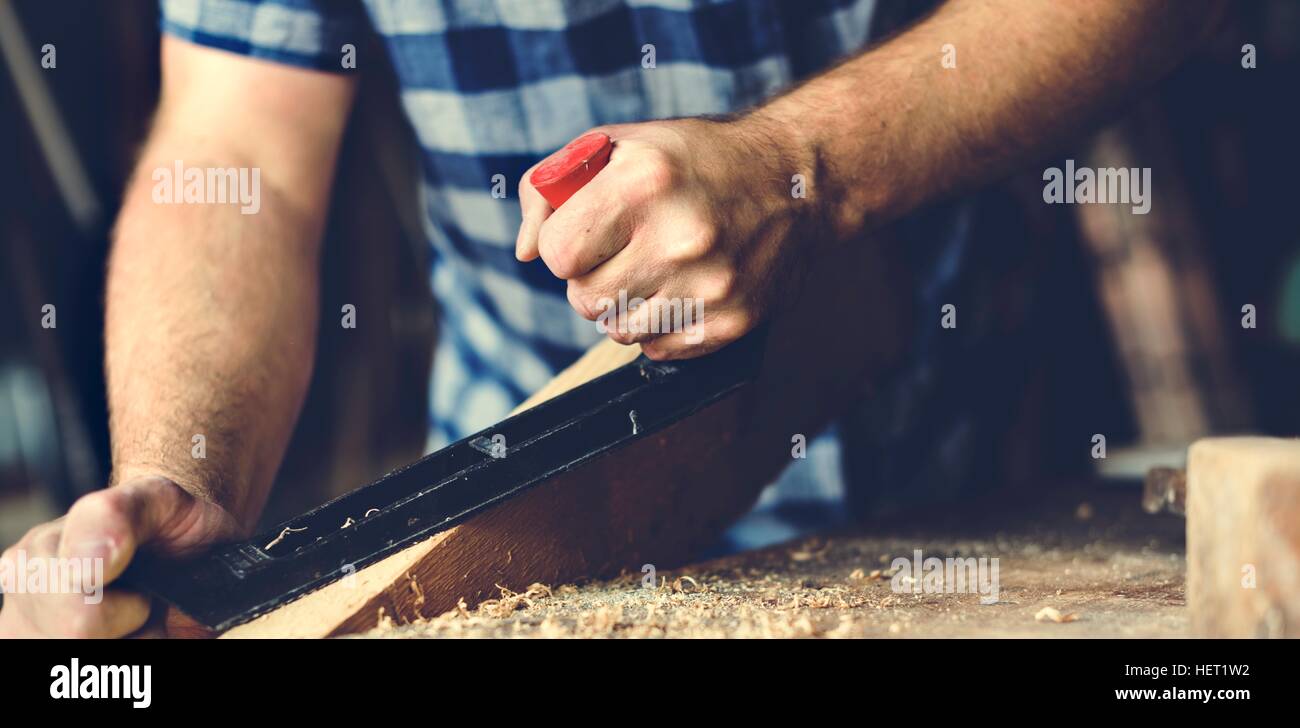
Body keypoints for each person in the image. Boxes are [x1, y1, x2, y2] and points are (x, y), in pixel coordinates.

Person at [0, 0, 1225, 637]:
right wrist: (178, 470)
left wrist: (802, 163)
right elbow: (239, 152)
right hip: (525, 539)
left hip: (986, 448)